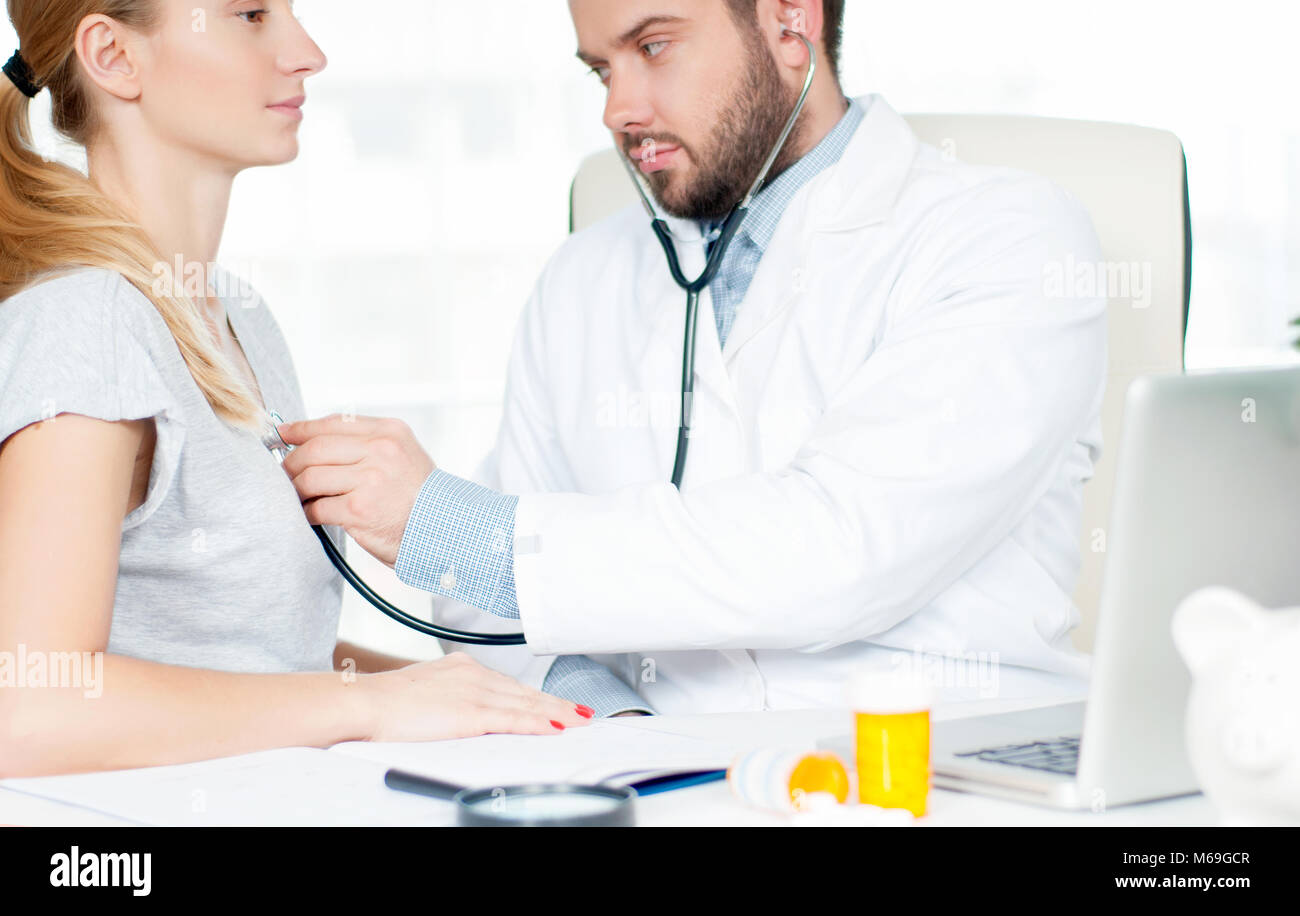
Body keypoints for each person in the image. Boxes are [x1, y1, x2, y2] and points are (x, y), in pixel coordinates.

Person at [279, 0, 1108, 716]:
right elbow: (488, 612)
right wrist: (609, 718)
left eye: (654, 47)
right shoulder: (582, 279)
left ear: (792, 20)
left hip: (949, 782)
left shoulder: (1006, 238)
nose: (618, 109)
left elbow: (840, 551)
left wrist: (454, 526)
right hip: (664, 786)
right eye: (601, 70)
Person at [0, 0, 590, 780]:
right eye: (249, 16)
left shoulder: (237, 316)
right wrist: (372, 707)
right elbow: (28, 709)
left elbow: (244, 657)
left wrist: (453, 696)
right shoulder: (91, 318)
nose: (307, 52)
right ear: (113, 56)